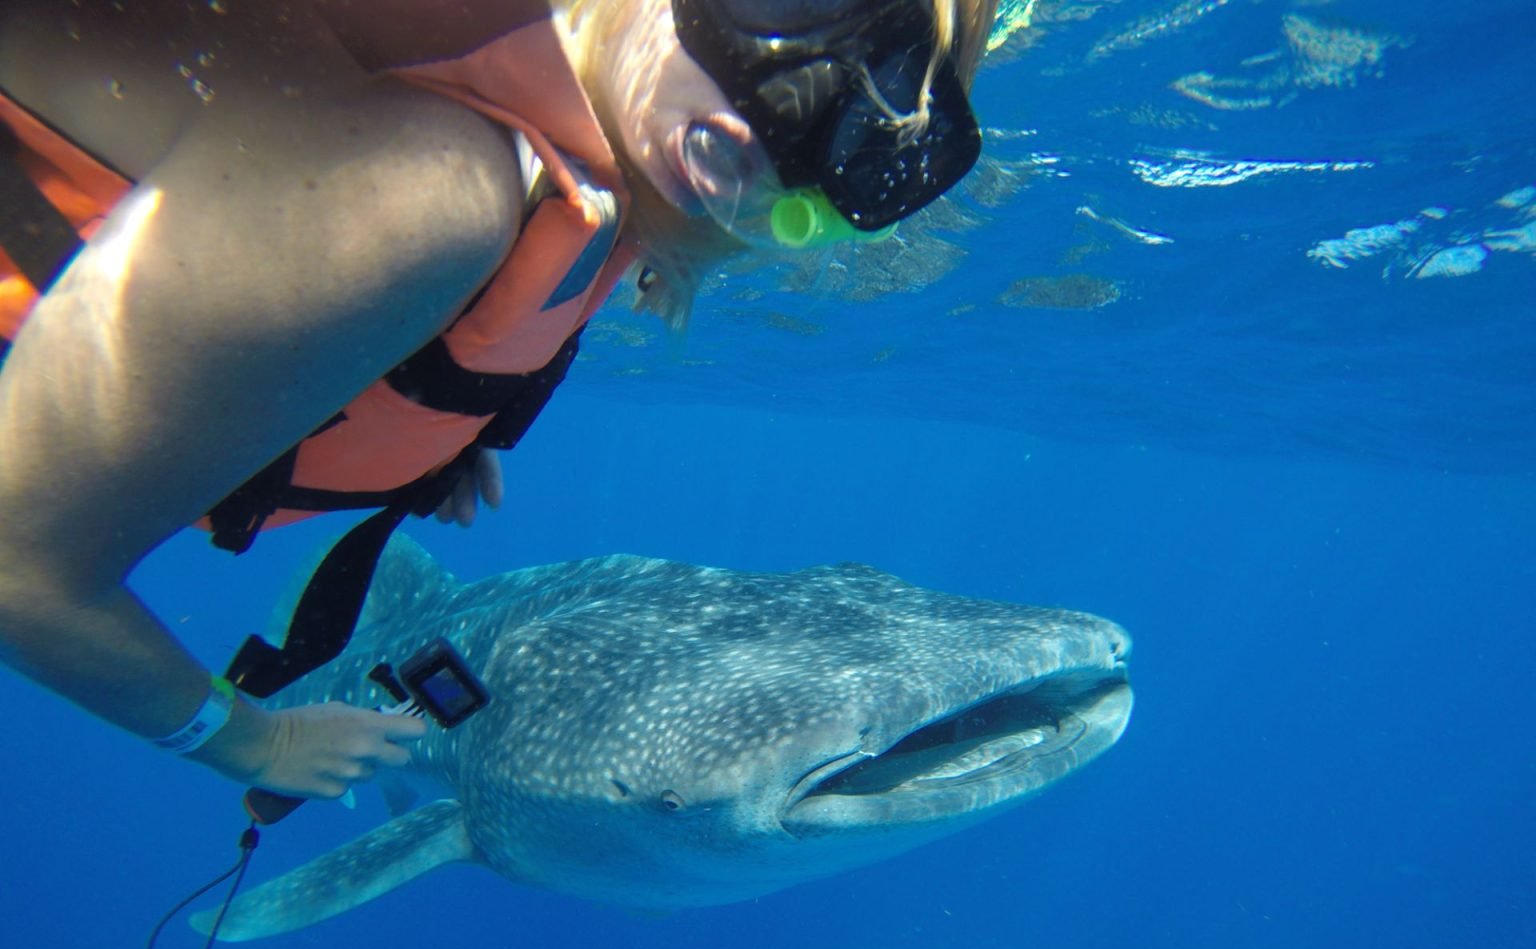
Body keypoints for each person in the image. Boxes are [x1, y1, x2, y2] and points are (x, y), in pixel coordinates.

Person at [0, 0, 997, 802]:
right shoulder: (424, 191)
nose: (773, 113)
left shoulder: (608, 162)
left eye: (863, 128)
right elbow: (18, 569)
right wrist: (252, 743)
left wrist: (426, 408)